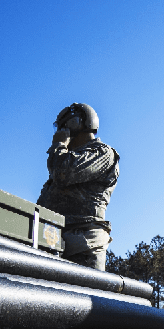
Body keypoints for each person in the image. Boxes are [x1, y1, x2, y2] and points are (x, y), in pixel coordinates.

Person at [37, 103, 119, 271]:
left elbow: (63, 172)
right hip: (56, 241)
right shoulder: (71, 157)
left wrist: (59, 145)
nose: (60, 131)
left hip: (83, 245)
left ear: (76, 124)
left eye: (64, 126)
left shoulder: (102, 152)